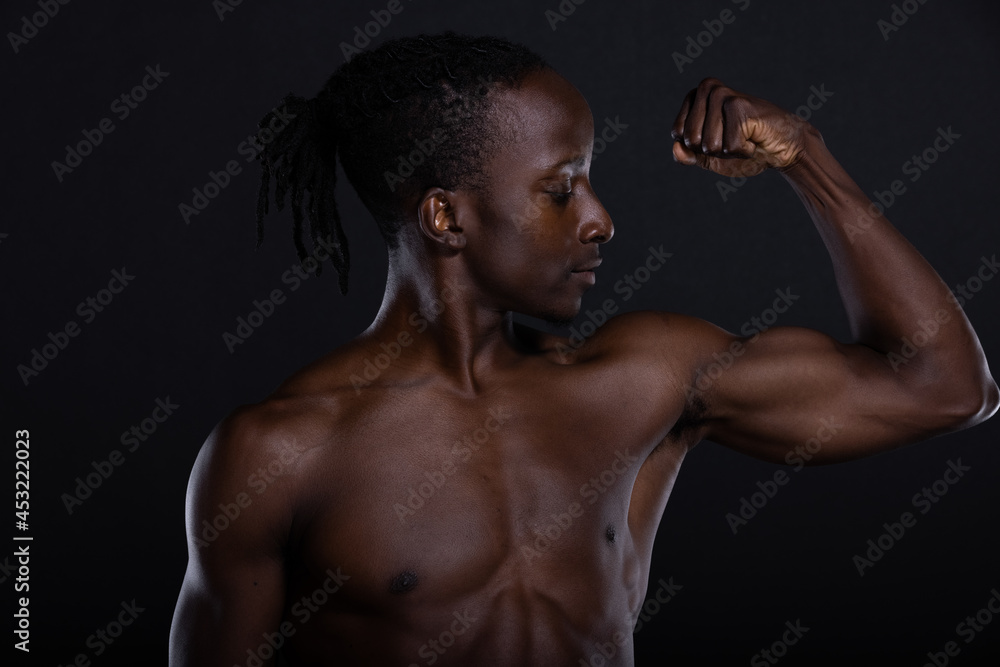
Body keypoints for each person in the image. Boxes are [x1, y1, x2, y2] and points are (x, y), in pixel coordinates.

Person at [168, 32, 998, 666]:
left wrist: (803, 156)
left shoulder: (642, 377)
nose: (601, 218)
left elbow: (947, 387)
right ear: (446, 217)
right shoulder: (278, 451)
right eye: (562, 189)